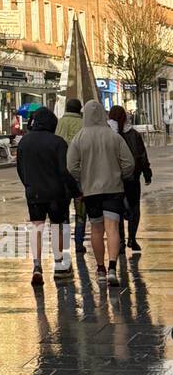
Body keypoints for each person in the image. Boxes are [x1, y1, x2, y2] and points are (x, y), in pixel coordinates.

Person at [66, 100, 135, 286]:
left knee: (97, 229)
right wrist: (120, 175)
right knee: (112, 228)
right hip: (113, 189)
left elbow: (71, 166)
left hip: (91, 192)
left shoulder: (79, 138)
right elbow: (129, 164)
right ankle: (113, 266)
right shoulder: (114, 137)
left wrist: (84, 178)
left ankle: (101, 269)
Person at [15, 107, 80, 286]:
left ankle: (37, 265)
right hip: (56, 193)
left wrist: (29, 185)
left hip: (34, 193)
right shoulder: (58, 143)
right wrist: (76, 191)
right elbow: (64, 171)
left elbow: (20, 169)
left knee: (37, 227)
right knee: (57, 227)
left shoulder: (24, 142)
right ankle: (59, 264)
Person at [108, 106, 152, 255]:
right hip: (132, 177)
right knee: (134, 207)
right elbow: (141, 155)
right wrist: (147, 172)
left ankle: (120, 241)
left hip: (114, 178)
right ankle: (132, 238)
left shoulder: (108, 135)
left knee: (117, 210)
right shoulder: (134, 134)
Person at [56, 98, 86, 253]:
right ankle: (79, 242)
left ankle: (65, 241)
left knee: (63, 210)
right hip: (81, 174)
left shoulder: (61, 123)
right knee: (81, 210)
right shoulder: (83, 124)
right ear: (79, 109)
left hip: (63, 174)